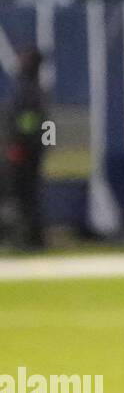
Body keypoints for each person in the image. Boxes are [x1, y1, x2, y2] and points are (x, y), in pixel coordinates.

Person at [3, 49, 49, 250]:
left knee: (23, 196)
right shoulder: (34, 90)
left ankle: (27, 239)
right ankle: (31, 238)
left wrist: (18, 145)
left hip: (23, 153)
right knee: (27, 196)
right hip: (30, 151)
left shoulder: (28, 92)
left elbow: (28, 123)